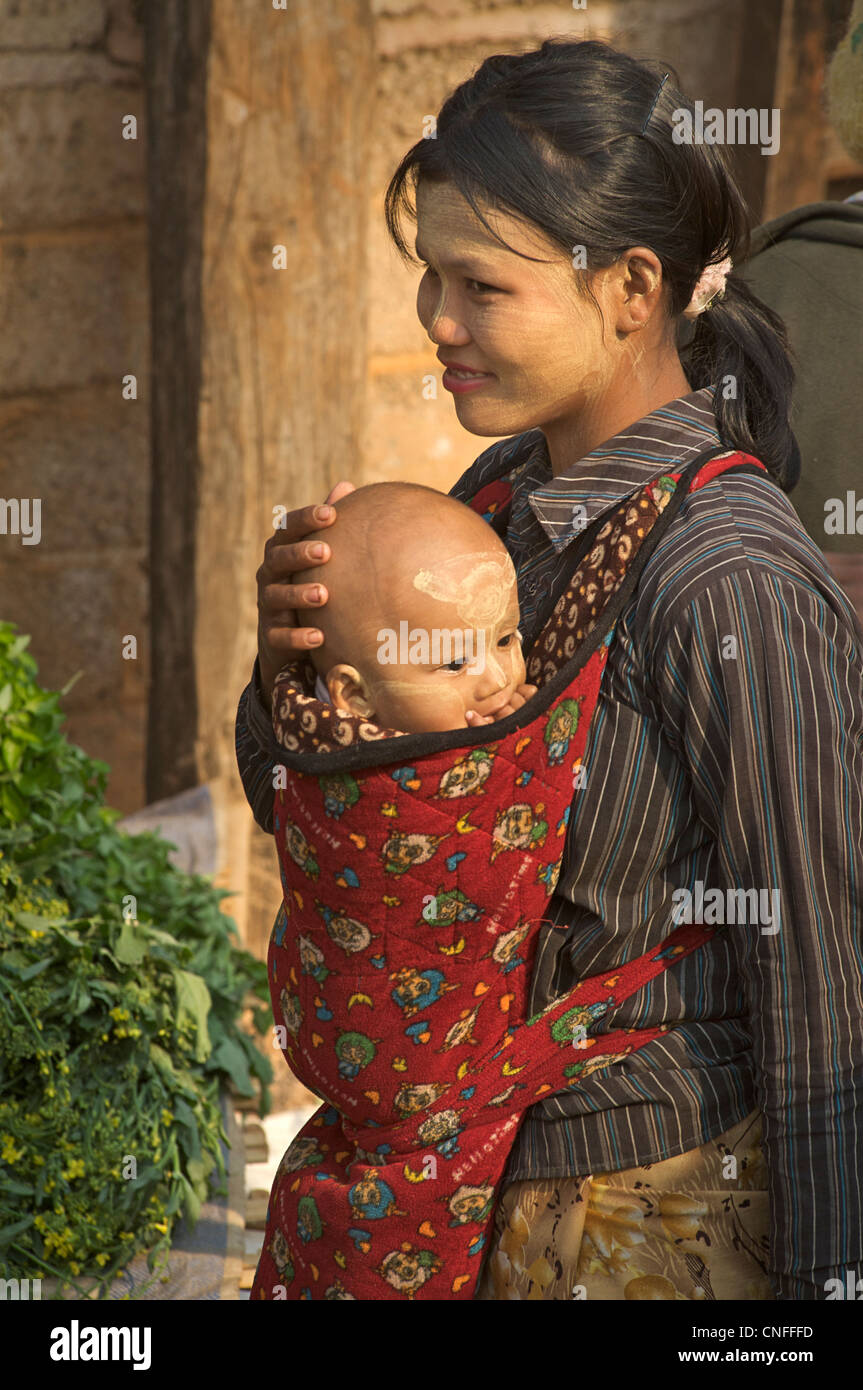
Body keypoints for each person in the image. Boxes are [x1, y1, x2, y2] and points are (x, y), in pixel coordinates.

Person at [238, 39, 863, 1300]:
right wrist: (297, 676)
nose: (436, 321)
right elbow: (363, 849)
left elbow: (823, 987)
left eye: (480, 284)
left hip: (664, 1225)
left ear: (631, 289)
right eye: (429, 278)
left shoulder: (724, 577)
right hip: (469, 1202)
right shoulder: (494, 513)